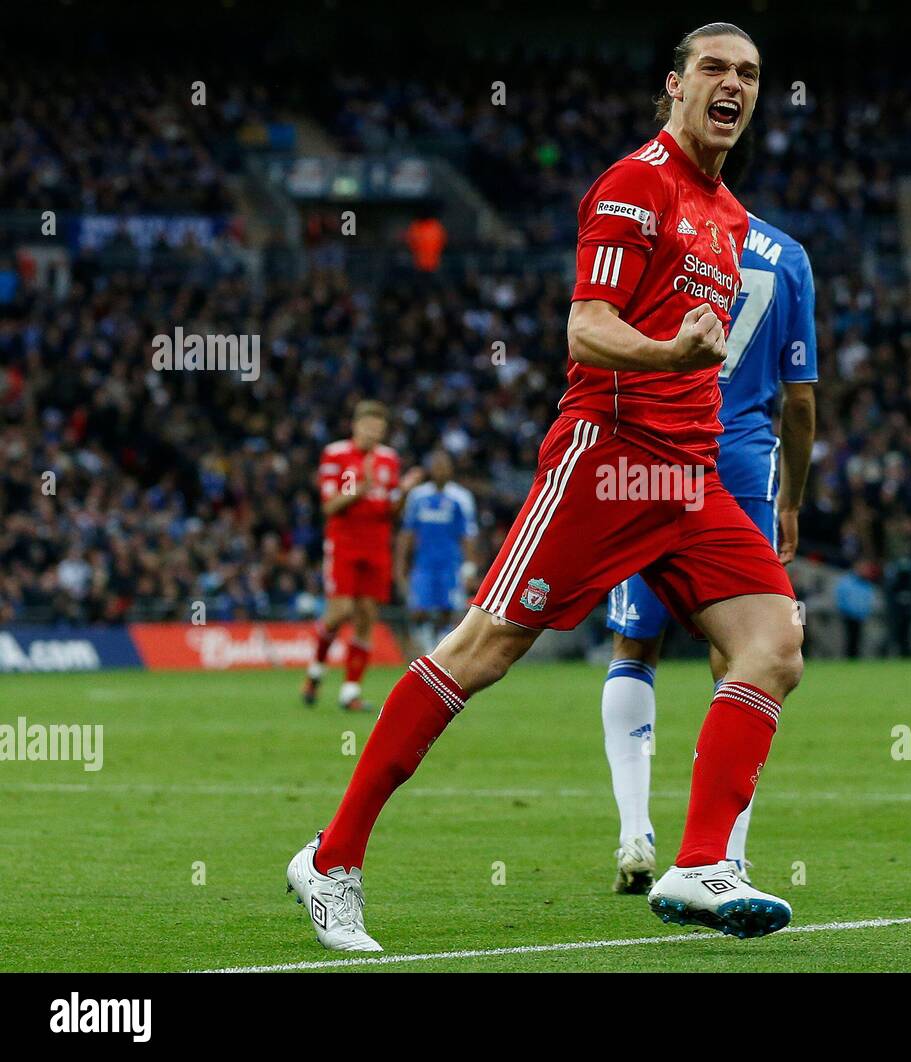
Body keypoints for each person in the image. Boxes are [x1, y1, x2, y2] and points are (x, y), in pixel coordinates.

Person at [287, 23, 805, 952]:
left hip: (688, 478)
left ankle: (698, 865)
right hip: (606, 459)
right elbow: (586, 328)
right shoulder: (633, 184)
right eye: (716, 69)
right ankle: (331, 859)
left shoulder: (729, 217)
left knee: (773, 641)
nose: (734, 85)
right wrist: (666, 352)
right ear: (676, 87)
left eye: (751, 74)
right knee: (482, 649)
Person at [601, 210, 816, 894]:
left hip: (656, 454)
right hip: (743, 462)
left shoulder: (662, 234)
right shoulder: (785, 254)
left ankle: (636, 832)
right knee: (746, 653)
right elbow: (802, 401)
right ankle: (727, 854)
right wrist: (793, 501)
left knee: (635, 645)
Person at [301, 400, 423, 712]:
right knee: (341, 610)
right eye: (368, 427)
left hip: (377, 544)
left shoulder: (389, 459)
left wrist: (406, 491)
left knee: (367, 615)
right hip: (344, 543)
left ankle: (350, 692)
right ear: (355, 426)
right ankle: (315, 671)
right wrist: (360, 489)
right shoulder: (336, 454)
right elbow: (328, 506)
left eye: (379, 429)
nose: (373, 433)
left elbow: (391, 511)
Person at [396, 450, 477, 657]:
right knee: (419, 611)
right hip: (423, 565)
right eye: (436, 465)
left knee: (447, 611)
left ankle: (437, 652)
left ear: (450, 469)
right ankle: (427, 648)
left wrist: (469, 568)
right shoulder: (417, 496)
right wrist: (400, 566)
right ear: (430, 469)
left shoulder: (461, 497)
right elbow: (407, 533)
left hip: (450, 565)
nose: (440, 469)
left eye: (444, 465)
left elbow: (468, 536)